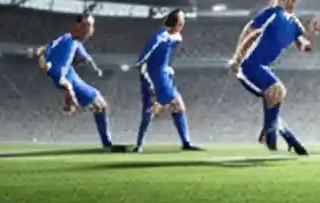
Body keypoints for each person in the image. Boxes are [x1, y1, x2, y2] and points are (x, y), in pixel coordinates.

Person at [229, 0, 320, 154]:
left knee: (275, 97)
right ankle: (270, 135)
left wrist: (309, 41)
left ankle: (279, 138)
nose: (297, 0)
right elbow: (250, 32)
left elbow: (302, 42)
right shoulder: (271, 13)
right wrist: (237, 58)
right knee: (277, 91)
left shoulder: (293, 22)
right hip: (249, 65)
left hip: (261, 66)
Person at [36, 14, 117, 150]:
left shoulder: (71, 39)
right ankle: (107, 144)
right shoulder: (67, 43)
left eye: (92, 26)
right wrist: (68, 90)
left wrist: (94, 67)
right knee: (100, 105)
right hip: (66, 78)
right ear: (78, 26)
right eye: (88, 26)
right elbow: (56, 71)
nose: (91, 30)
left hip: (71, 76)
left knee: (100, 106)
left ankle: (106, 142)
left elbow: (51, 48)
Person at [134, 8, 200, 152]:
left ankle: (139, 144)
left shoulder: (174, 37)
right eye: (182, 19)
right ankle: (185, 143)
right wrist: (150, 78)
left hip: (161, 74)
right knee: (176, 105)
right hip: (156, 77)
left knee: (154, 109)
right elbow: (142, 61)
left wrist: (166, 67)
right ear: (176, 22)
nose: (184, 22)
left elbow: (162, 57)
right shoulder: (160, 37)